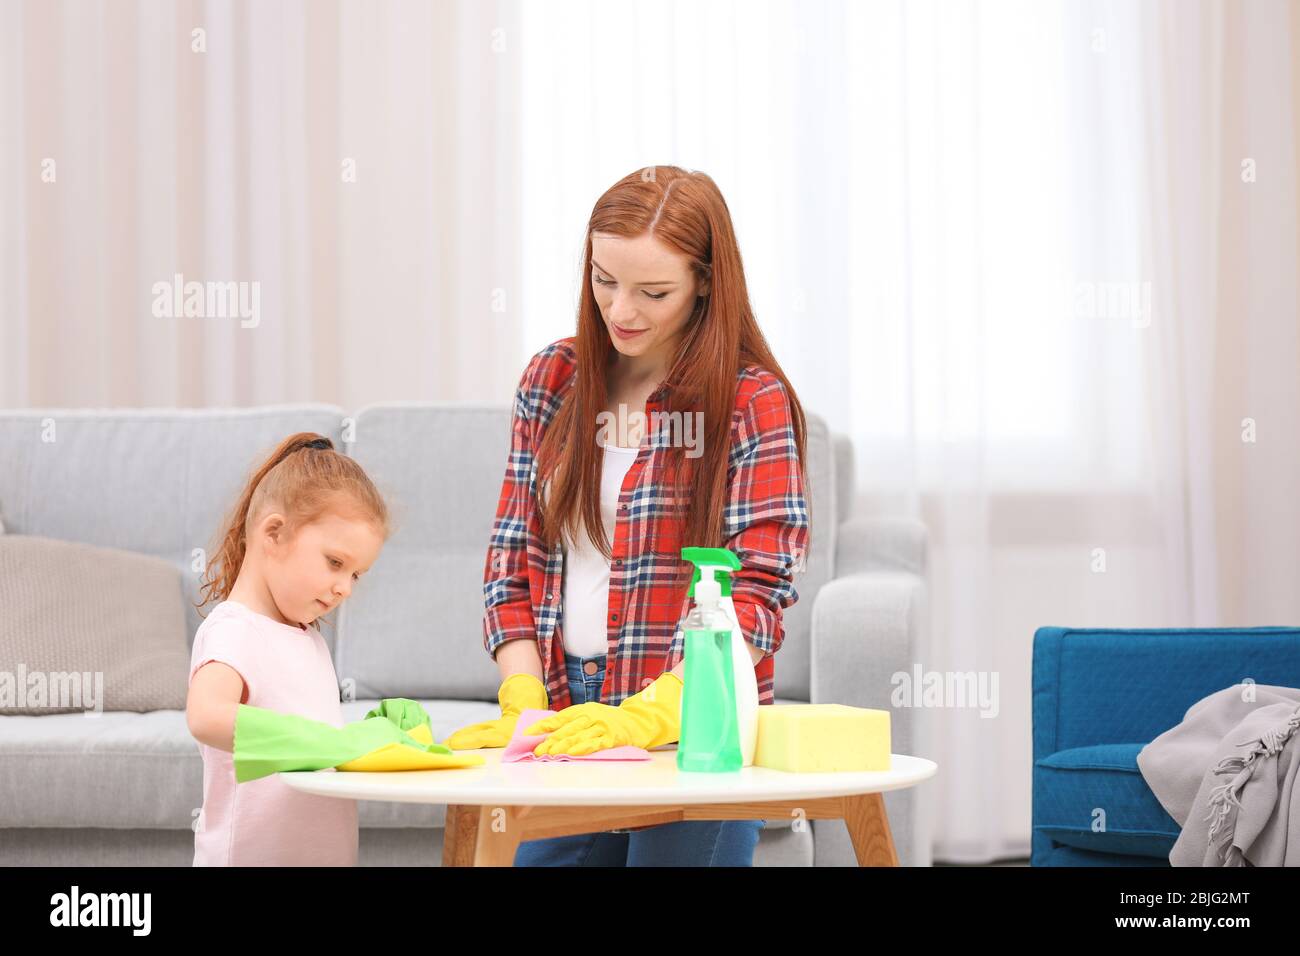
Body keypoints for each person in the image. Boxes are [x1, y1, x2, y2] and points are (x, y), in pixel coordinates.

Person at [445, 165, 811, 866]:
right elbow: (508, 565)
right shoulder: (553, 380)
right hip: (565, 717)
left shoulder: (749, 402)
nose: (621, 310)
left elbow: (759, 598)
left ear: (706, 281)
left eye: (654, 292)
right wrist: (523, 695)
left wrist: (657, 710)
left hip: (691, 728)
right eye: (604, 279)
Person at [184, 432, 388, 866]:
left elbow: (318, 746)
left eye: (356, 575)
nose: (344, 588)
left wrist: (373, 735)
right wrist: (316, 740)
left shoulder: (309, 640)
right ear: (273, 534)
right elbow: (205, 715)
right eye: (335, 563)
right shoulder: (235, 629)